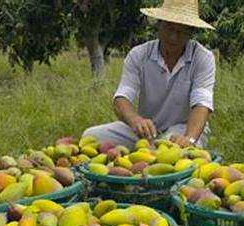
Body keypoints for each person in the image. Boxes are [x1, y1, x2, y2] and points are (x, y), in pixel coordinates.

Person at [82, 0, 216, 149]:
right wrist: (135, 120)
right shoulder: (139, 55)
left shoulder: (202, 58)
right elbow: (122, 98)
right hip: (146, 129)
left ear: (191, 33)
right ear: (159, 25)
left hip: (183, 128)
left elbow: (201, 103)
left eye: (181, 32)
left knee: (165, 150)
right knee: (91, 136)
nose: (173, 37)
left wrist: (190, 139)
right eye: (169, 28)